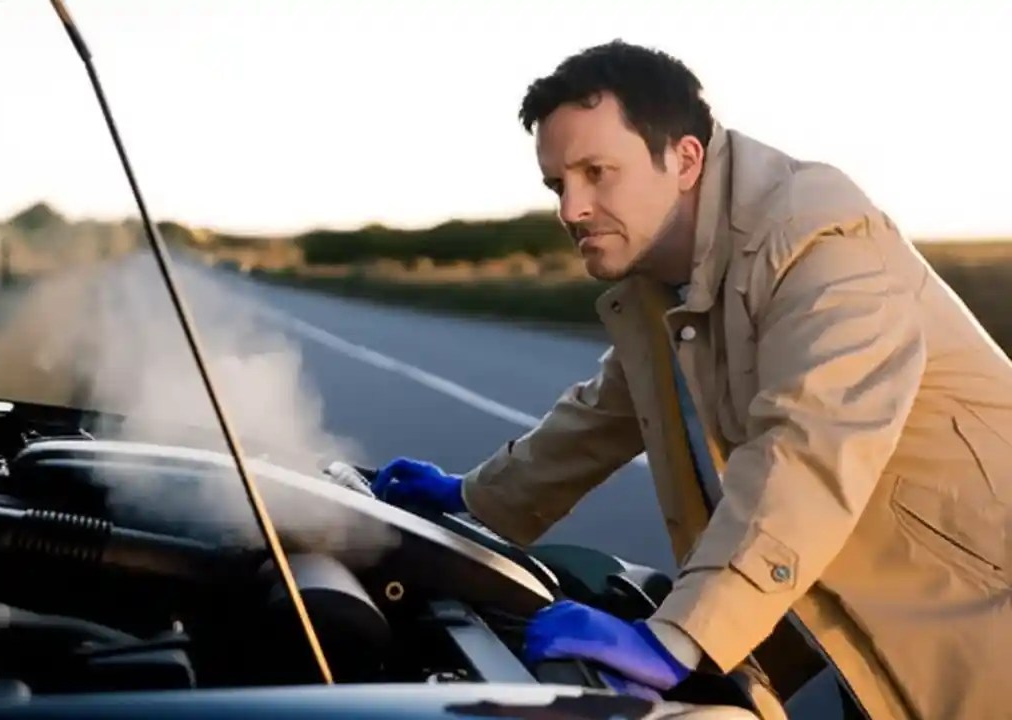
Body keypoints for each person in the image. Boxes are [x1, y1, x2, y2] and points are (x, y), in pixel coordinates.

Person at [371, 39, 1011, 720]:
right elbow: (605, 413)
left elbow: (807, 451)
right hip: (882, 603)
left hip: (978, 609)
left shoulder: (821, 240)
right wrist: (474, 498)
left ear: (683, 158)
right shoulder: (667, 272)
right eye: (559, 184)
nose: (571, 209)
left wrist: (678, 638)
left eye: (596, 172)